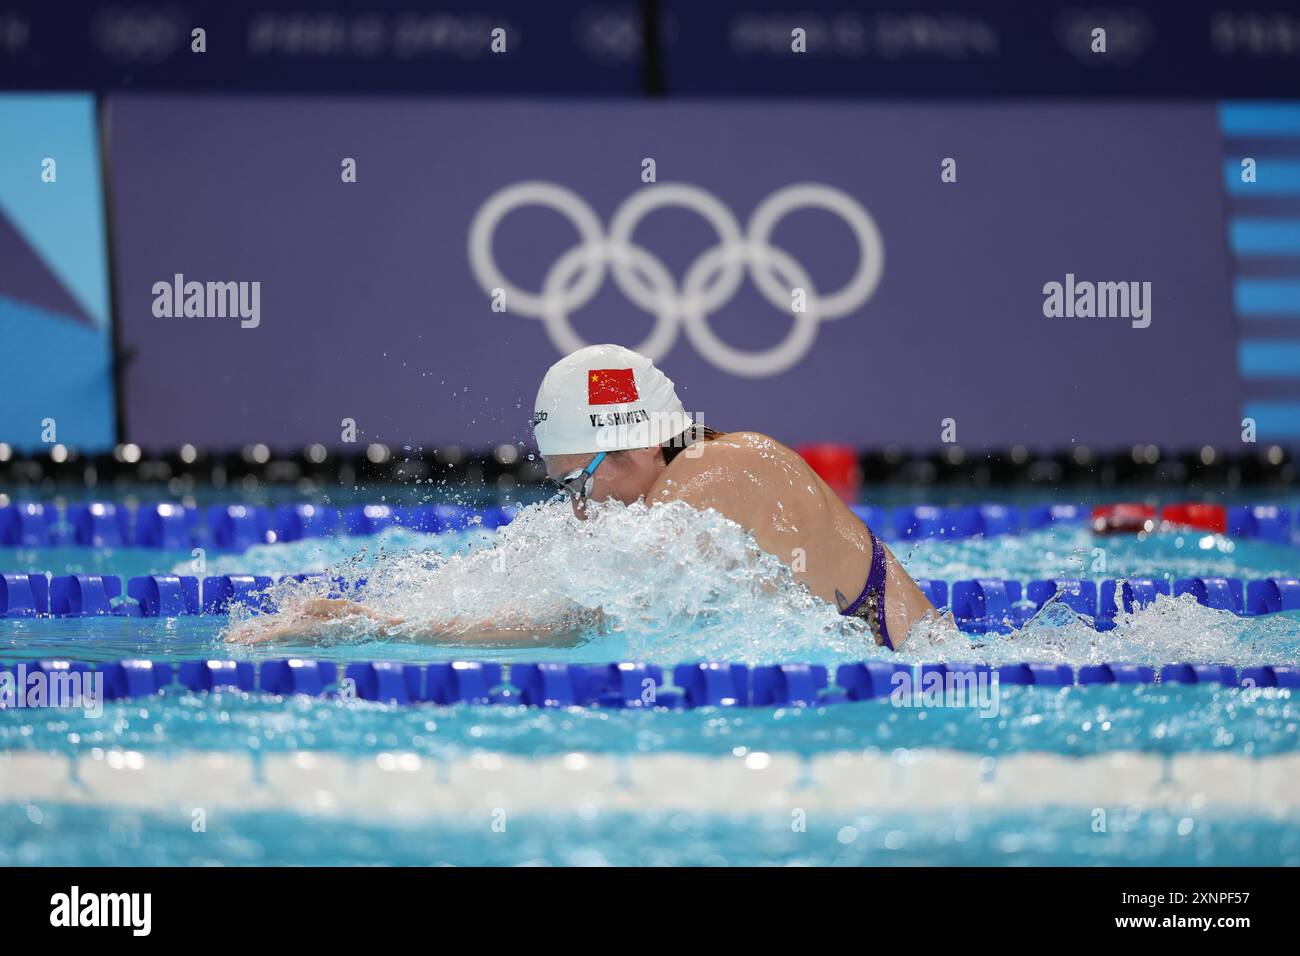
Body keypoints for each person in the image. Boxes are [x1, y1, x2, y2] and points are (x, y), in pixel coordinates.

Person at [227, 344, 937, 648]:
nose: (576, 507)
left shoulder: (725, 469)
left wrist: (377, 627)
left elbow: (582, 619)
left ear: (634, 447)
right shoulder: (682, 494)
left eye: (578, 481)